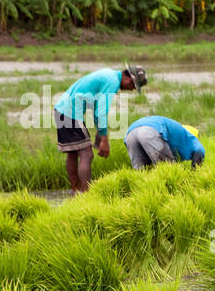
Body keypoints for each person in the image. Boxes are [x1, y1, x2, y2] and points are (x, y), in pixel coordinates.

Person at [54, 63, 146, 194]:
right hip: (70, 112)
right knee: (86, 153)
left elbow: (96, 106)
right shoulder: (112, 81)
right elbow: (101, 111)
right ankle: (86, 194)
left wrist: (100, 132)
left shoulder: (109, 74)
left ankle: (75, 192)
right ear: (128, 78)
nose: (131, 89)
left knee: (73, 153)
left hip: (61, 108)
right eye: (133, 86)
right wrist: (104, 139)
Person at [123, 115, 205, 170]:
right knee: (168, 170)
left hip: (130, 134)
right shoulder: (192, 139)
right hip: (150, 131)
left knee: (141, 172)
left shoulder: (176, 133)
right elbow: (200, 150)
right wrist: (194, 173)